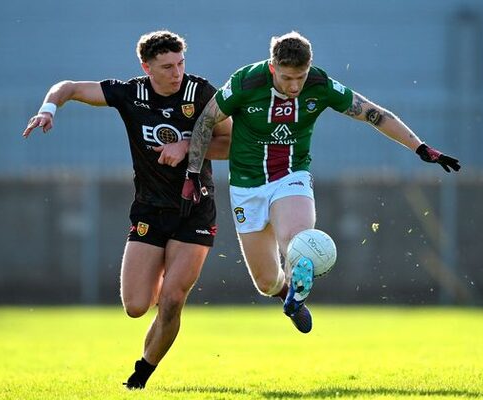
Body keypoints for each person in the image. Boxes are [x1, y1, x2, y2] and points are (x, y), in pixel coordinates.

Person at [181, 31, 460, 334]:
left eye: (300, 77)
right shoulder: (245, 82)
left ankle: (299, 286)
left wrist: (420, 147)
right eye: (287, 78)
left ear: (309, 68)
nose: (294, 86)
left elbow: (373, 113)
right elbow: (207, 120)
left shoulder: (319, 85)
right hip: (247, 187)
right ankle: (286, 293)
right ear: (273, 68)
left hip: (291, 176)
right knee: (265, 282)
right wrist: (192, 173)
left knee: (296, 242)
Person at [23, 30, 231, 389]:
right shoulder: (130, 93)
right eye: (166, 66)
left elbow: (231, 142)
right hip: (149, 210)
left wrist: (188, 145)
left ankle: (140, 375)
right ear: (146, 67)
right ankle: (165, 275)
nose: (177, 72)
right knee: (136, 306)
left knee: (172, 300)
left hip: (195, 208)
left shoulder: (200, 94)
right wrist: (48, 109)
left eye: (181, 63)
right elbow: (69, 87)